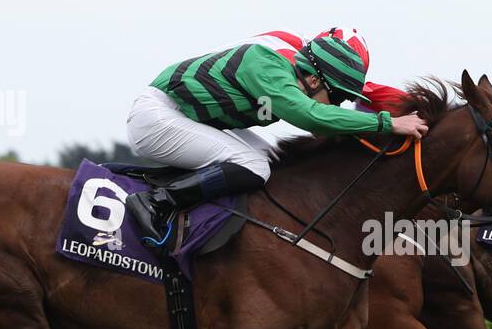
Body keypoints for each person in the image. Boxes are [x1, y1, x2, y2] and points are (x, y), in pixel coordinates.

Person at [123, 28, 429, 245]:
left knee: (273, 161)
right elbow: (311, 115)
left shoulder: (309, 66)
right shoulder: (270, 68)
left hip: (189, 116)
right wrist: (387, 124)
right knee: (255, 166)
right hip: (158, 118)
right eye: (335, 99)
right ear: (312, 80)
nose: (337, 106)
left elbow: (368, 91)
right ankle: (156, 202)